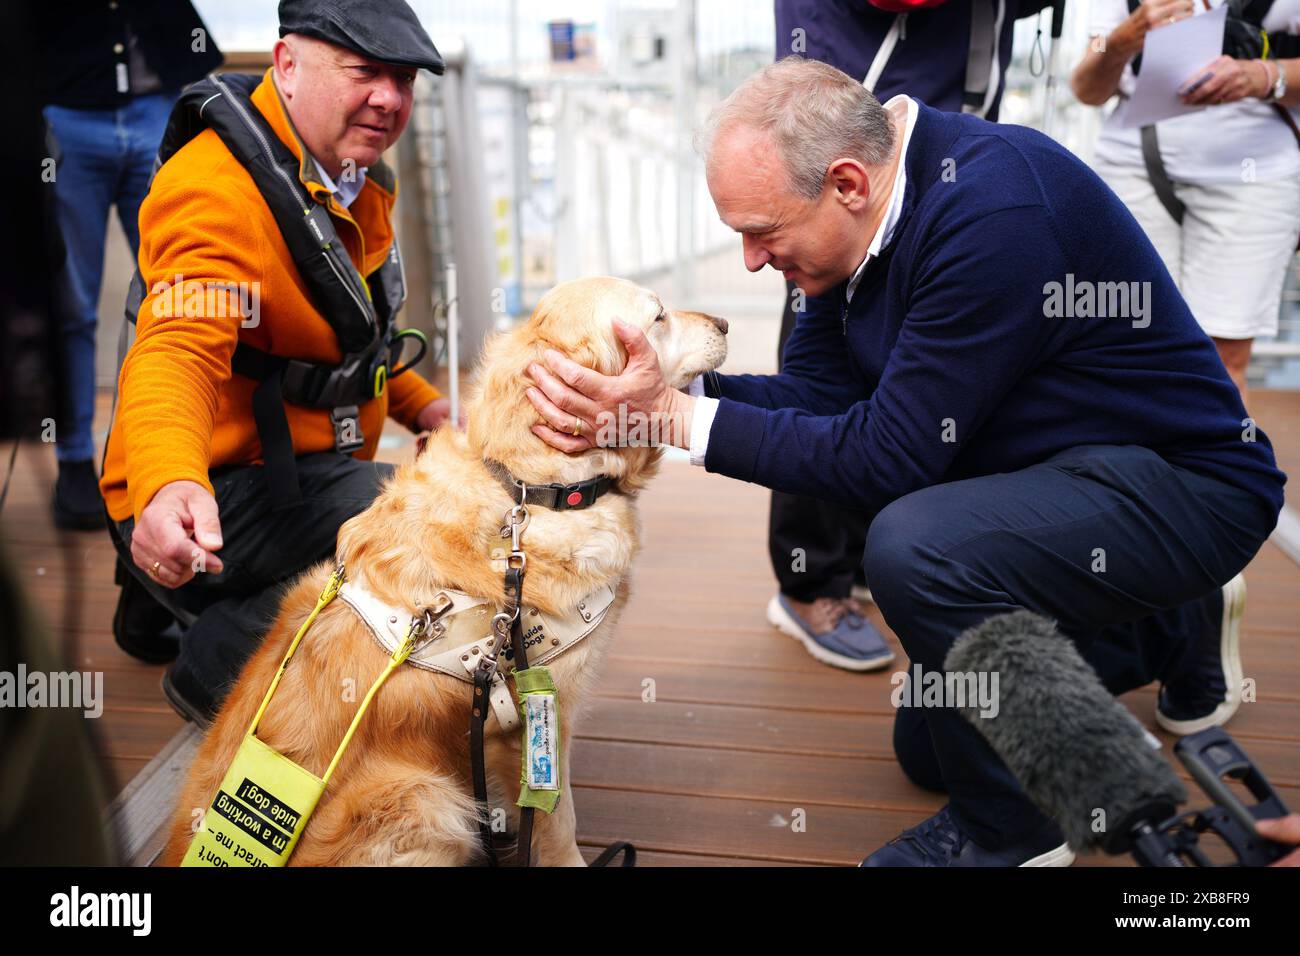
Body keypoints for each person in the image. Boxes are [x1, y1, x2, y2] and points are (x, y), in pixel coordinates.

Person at [523, 57, 1286, 866]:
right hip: (1059, 478)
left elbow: (892, 457)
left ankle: (1017, 833)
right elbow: (820, 396)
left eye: (761, 233)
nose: (749, 260)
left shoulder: (994, 212)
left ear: (848, 183)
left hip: (1186, 486)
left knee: (915, 547)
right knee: (927, 744)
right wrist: (671, 386)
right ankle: (1170, 630)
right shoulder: (841, 232)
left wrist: (672, 420)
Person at [100, 0, 450, 725]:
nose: (389, 98)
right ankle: (222, 664)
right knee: (420, 516)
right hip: (210, 493)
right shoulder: (217, 189)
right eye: (365, 71)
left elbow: (346, 342)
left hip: (282, 469)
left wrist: (424, 405)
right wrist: (168, 483)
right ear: (285, 65)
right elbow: (178, 349)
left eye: (404, 78)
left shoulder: (346, 175)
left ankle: (166, 598)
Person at [764, 0, 1056, 671]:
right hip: (848, 144)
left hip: (940, 148)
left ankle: (871, 552)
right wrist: (690, 417)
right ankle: (810, 586)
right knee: (823, 375)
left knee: (907, 371)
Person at [37, 1, 223, 529]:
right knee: (71, 303)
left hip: (160, 106)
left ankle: (171, 459)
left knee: (183, 289)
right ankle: (74, 459)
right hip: (65, 114)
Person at [1071, 0, 1300, 406]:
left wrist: (1265, 75)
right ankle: (1133, 468)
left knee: (1220, 363)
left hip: (1254, 169)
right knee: (1125, 345)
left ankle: (1219, 468)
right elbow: (1087, 89)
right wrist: (1125, 37)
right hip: (1133, 163)